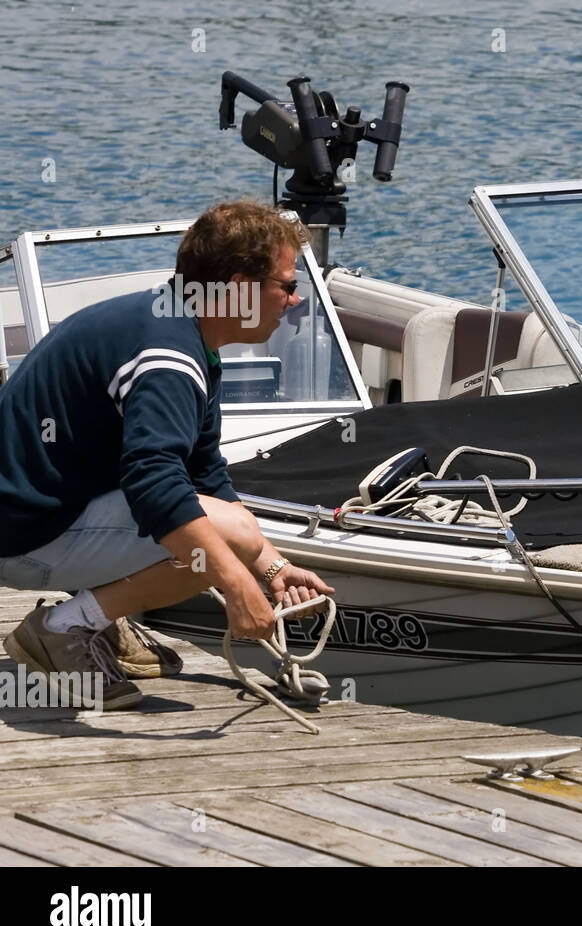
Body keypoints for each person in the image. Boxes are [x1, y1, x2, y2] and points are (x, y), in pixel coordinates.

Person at [0, 200, 333, 710]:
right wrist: (238, 583)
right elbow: (155, 484)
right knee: (219, 540)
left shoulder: (176, 324)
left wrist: (272, 569)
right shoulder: (170, 357)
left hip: (36, 518)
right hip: (21, 536)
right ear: (242, 287)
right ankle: (64, 627)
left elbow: (203, 473)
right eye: (287, 286)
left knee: (229, 535)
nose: (294, 300)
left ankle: (99, 619)